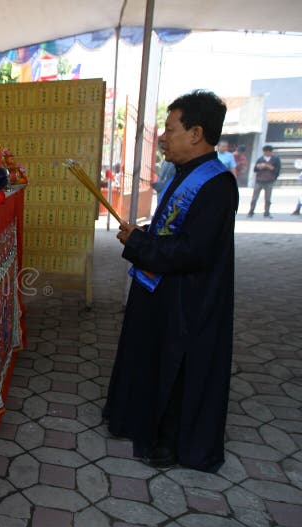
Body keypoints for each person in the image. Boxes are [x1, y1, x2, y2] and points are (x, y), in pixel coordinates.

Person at [104, 90, 238, 473]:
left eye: (169, 129)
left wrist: (140, 243)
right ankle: (136, 418)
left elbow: (193, 251)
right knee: (149, 355)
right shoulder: (186, 174)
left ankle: (169, 440)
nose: (163, 137)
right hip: (162, 289)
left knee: (176, 367)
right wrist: (146, 237)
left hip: (188, 300)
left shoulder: (216, 185)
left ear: (196, 133)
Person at [248, 144, 282, 218]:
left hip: (269, 181)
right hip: (259, 180)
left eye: (268, 152)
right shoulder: (260, 159)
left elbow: (277, 170)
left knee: (268, 198)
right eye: (265, 152)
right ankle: (251, 211)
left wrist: (268, 166)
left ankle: (267, 212)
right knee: (254, 197)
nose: (266, 153)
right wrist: (259, 166)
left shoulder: (275, 159)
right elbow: (255, 169)